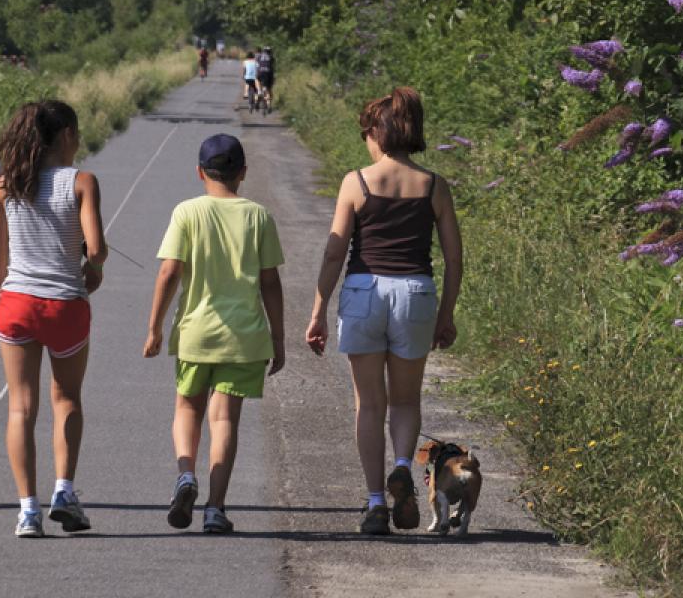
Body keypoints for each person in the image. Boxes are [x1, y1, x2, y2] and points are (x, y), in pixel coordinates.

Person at [304, 86, 462, 536]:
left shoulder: (355, 182)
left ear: (379, 132)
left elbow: (335, 253)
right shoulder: (434, 186)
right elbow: (454, 258)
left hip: (364, 291)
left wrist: (318, 310)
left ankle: (376, 503)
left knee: (369, 403)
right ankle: (402, 467)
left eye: (367, 132)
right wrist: (446, 314)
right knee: (406, 399)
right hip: (415, 292)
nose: (365, 141)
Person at [143, 134, 285, 534]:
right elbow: (270, 282)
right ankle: (215, 508)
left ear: (199, 172)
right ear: (243, 173)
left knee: (188, 409)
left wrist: (154, 327)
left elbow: (169, 272)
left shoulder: (187, 212)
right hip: (244, 337)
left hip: (196, 334)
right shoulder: (258, 217)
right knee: (225, 420)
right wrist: (278, 338)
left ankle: (186, 474)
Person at [0, 100, 107, 538]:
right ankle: (64, 491)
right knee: (67, 398)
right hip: (64, 305)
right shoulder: (82, 182)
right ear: (67, 135)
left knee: (20, 406)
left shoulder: (7, 183)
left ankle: (27, 511)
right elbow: (96, 250)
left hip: (17, 302)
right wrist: (93, 269)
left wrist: (5, 297)